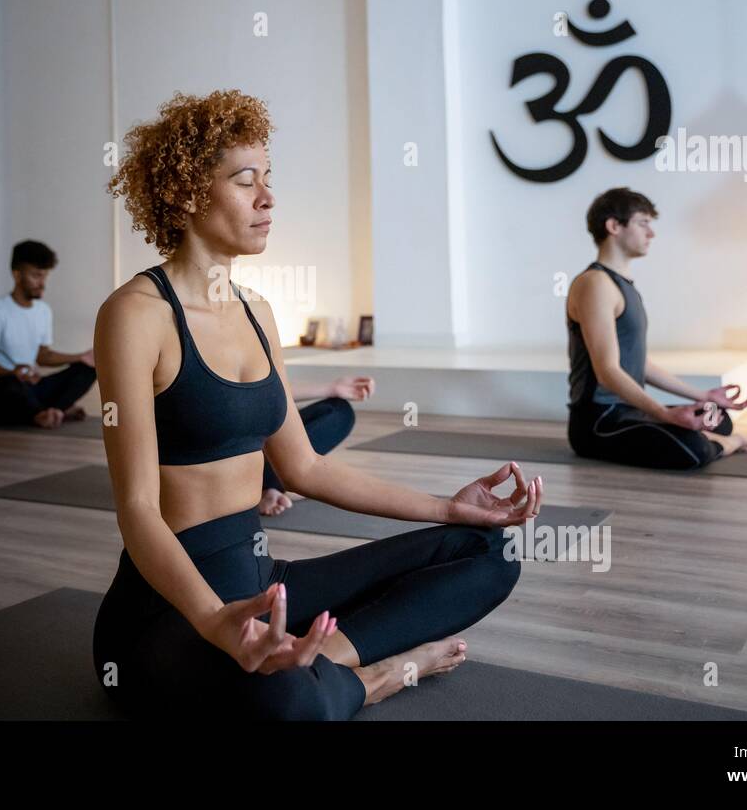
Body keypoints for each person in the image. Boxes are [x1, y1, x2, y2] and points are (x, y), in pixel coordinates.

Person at [91, 89, 542, 720]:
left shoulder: (259, 313)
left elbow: (305, 468)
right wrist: (218, 621)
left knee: (485, 551)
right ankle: (379, 674)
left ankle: (325, 658)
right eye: (246, 181)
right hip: (167, 612)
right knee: (281, 704)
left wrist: (447, 506)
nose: (268, 198)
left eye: (268, 180)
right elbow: (138, 511)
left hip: (259, 581)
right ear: (188, 192)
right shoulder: (135, 317)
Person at [565, 187, 747, 469]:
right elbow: (607, 372)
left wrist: (702, 395)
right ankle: (729, 443)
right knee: (694, 450)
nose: (651, 233)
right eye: (643, 223)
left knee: (716, 417)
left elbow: (638, 364)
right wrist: (663, 414)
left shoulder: (621, 284)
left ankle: (710, 433)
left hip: (627, 410)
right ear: (614, 226)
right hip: (599, 421)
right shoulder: (595, 284)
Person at [0, 240, 96, 428]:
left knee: (88, 370)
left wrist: (81, 357)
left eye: (45, 276)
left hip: (32, 387)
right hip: (2, 390)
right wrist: (14, 372)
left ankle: (49, 411)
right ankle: (48, 411)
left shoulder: (43, 311)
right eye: (36, 276)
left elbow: (43, 356)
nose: (42, 283)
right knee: (10, 385)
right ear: (17, 275)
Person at [258, 375, 373, 517]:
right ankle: (264, 485)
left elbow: (265, 394)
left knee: (337, 410)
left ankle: (271, 483)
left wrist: (334, 388)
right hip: (230, 459)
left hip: (254, 441)